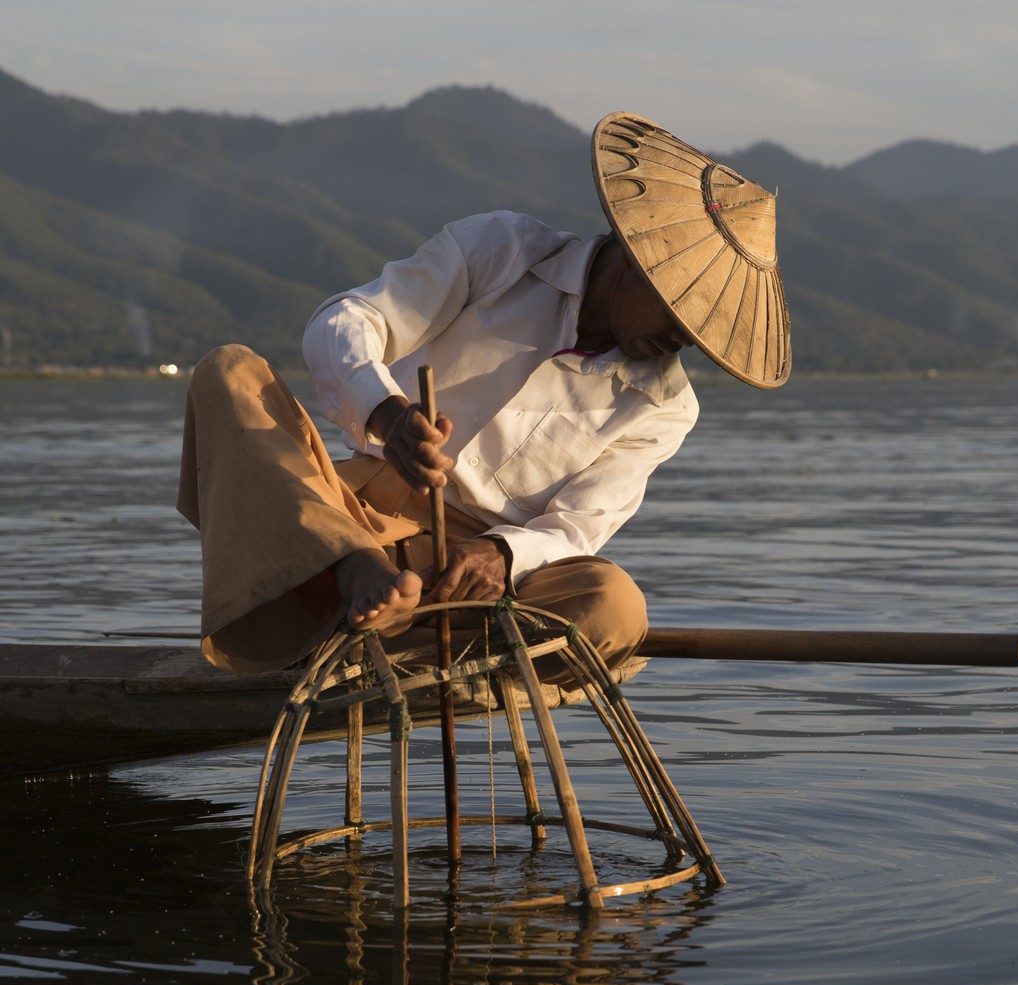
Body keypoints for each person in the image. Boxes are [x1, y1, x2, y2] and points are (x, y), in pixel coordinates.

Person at [176, 113, 790, 675]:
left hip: (462, 581)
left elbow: (576, 528)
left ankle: (371, 624)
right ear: (637, 261)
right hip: (339, 512)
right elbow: (348, 320)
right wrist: (388, 415)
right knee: (228, 374)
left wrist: (499, 554)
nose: (680, 341)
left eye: (698, 335)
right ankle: (351, 568)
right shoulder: (502, 251)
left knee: (614, 607)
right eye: (679, 317)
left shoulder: (667, 408)